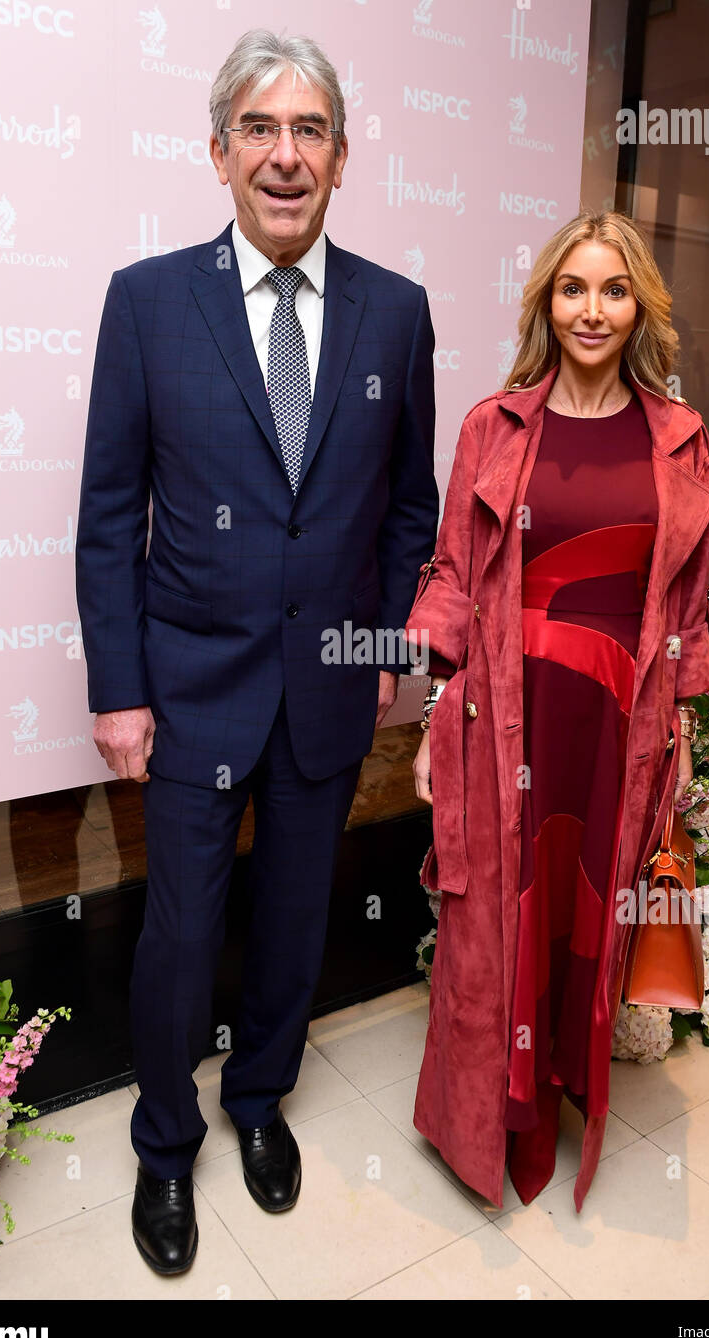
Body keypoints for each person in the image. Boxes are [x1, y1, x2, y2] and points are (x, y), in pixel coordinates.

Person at [75, 28, 437, 1275]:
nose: (286, 157)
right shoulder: (146, 300)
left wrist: (388, 640)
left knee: (293, 917)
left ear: (342, 156)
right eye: (262, 131)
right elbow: (108, 513)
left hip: (329, 684)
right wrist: (118, 689)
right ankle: (166, 1145)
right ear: (219, 150)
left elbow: (407, 504)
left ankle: (259, 1100)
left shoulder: (397, 311)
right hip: (187, 692)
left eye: (311, 132)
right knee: (179, 933)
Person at [405, 210, 709, 1212]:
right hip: (506, 709)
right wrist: (432, 716)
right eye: (572, 288)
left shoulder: (679, 436)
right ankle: (483, 1116)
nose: (591, 309)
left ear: (639, 308)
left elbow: (687, 596)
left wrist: (680, 714)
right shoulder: (491, 426)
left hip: (613, 723)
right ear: (548, 300)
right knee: (490, 918)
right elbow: (454, 571)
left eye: (613, 289)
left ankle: (555, 1081)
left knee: (584, 907)